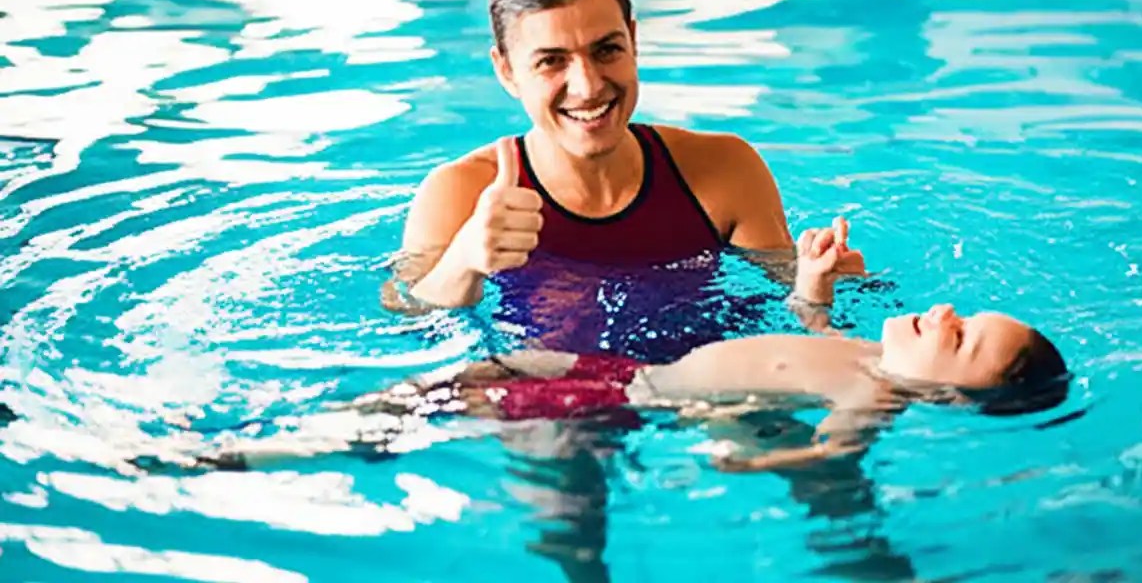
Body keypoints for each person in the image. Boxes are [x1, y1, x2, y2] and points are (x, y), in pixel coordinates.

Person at [177, 223, 1066, 474]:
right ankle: (290, 438)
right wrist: (816, 282)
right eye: (965, 313)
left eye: (960, 339)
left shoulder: (875, 395)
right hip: (619, 377)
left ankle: (257, 452)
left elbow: (836, 447)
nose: (945, 311)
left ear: (946, 395)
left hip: (624, 399)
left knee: (443, 401)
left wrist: (766, 460)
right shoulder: (871, 352)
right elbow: (809, 329)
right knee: (448, 387)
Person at [383, 0, 796, 311]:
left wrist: (819, 289)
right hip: (537, 387)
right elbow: (406, 315)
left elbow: (793, 311)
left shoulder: (726, 172)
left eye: (607, 50)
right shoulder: (461, 193)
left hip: (703, 390)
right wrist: (465, 258)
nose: (588, 86)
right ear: (507, 72)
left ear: (633, 42)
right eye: (551, 61)